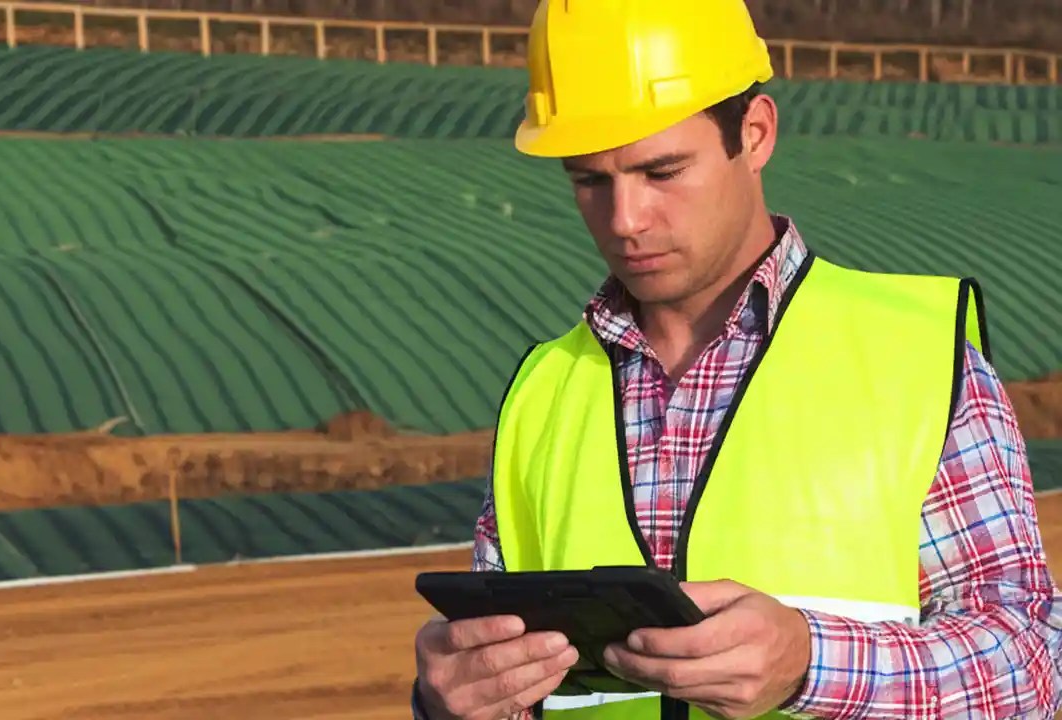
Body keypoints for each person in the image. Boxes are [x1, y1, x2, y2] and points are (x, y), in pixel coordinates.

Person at [410, 0, 1062, 719]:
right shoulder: (544, 393)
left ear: (754, 135)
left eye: (662, 171)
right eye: (590, 181)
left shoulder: (920, 357)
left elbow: (1029, 665)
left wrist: (810, 662)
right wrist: (454, 705)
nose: (625, 219)